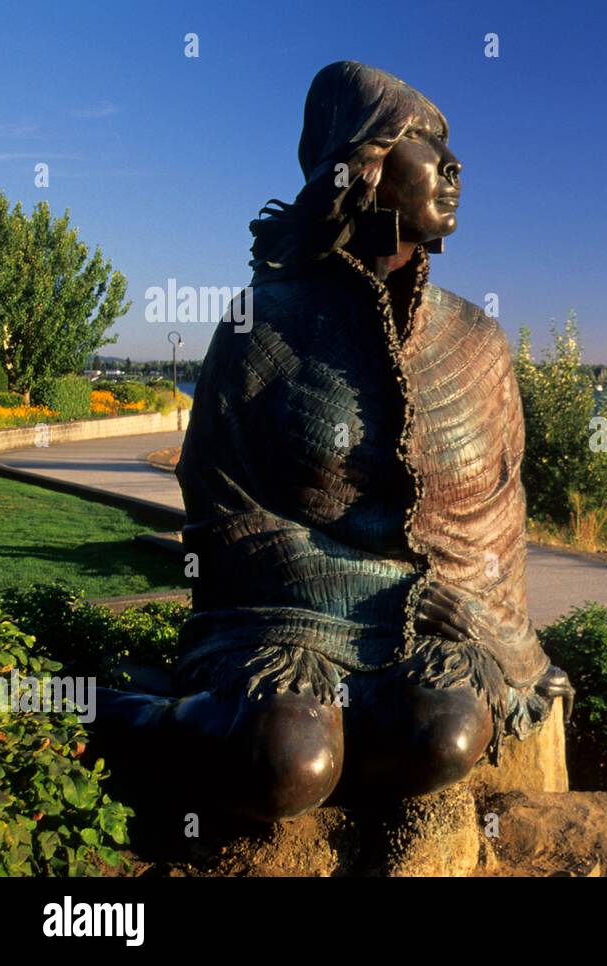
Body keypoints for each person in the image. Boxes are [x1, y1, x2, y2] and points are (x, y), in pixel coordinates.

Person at [95, 61, 570, 822]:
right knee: (292, 763)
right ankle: (131, 714)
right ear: (364, 164)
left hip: (441, 631)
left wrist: (507, 636)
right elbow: (225, 510)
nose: (452, 166)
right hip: (285, 622)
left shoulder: (478, 342)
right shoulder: (265, 324)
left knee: (444, 734)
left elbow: (499, 517)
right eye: (424, 141)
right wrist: (397, 594)